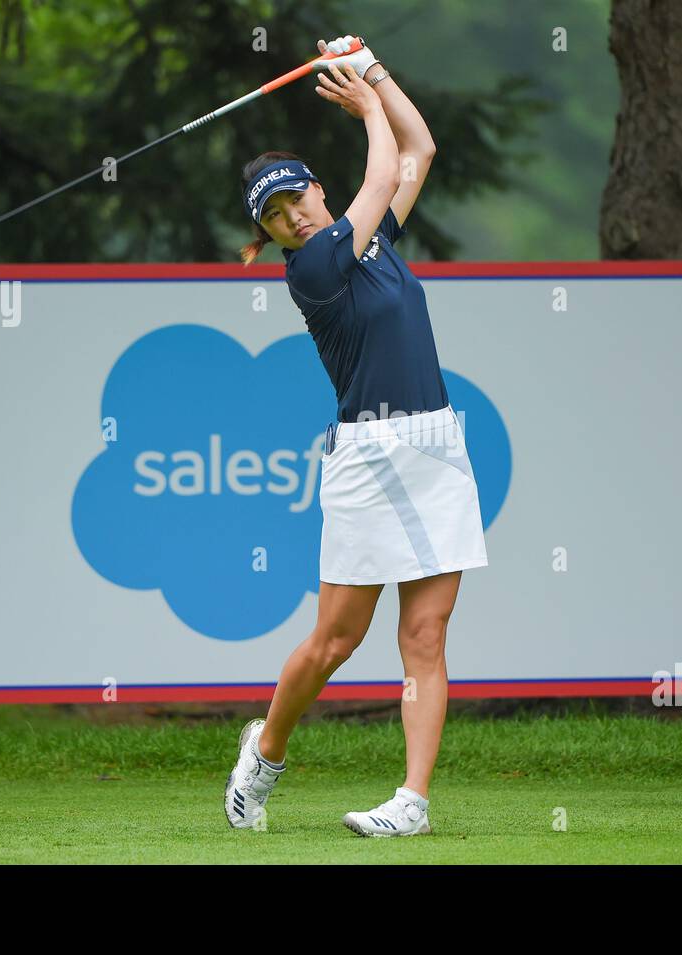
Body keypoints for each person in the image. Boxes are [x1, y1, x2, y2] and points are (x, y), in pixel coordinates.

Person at [224, 35, 488, 837]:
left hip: (436, 445)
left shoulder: (375, 243)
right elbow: (381, 171)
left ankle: (411, 800)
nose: (292, 214)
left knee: (426, 633)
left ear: (315, 187)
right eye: (275, 215)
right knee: (336, 639)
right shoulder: (313, 271)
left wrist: (372, 66)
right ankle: (264, 753)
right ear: (272, 233)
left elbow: (420, 147)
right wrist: (366, 104)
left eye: (295, 196)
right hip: (368, 459)